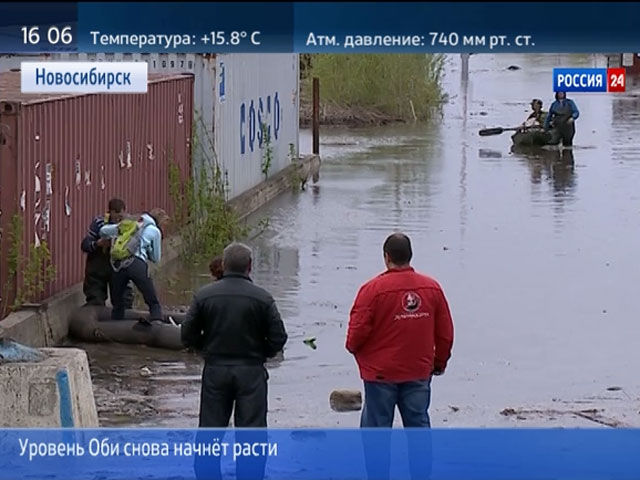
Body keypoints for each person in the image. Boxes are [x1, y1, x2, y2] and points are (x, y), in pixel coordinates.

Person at [346, 233, 454, 428]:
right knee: (418, 427)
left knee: (376, 431)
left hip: (380, 374)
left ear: (386, 257)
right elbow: (445, 334)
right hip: (418, 371)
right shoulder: (432, 289)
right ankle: (421, 460)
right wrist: (439, 363)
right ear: (410, 255)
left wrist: (360, 355)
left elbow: (356, 335)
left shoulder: (371, 291)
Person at [181, 242, 288, 427]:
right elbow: (278, 338)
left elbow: (187, 334)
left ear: (224, 264)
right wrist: (263, 353)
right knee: (252, 434)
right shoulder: (263, 298)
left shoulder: (204, 296)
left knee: (211, 430)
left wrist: (204, 348)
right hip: (251, 371)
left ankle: (208, 457)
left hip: (215, 369)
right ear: (250, 266)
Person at [99, 207, 169, 323]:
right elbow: (156, 258)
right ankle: (157, 321)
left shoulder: (129, 224)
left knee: (117, 303)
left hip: (119, 265)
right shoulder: (154, 230)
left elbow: (103, 231)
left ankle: (116, 326)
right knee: (152, 300)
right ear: (159, 222)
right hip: (137, 264)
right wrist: (148, 249)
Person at [80, 198, 133, 309]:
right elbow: (85, 244)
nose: (118, 220)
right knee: (95, 299)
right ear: (110, 212)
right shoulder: (99, 223)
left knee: (124, 301)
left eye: (121, 216)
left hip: (119, 266)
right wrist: (98, 244)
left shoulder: (130, 225)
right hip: (99, 265)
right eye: (116, 216)